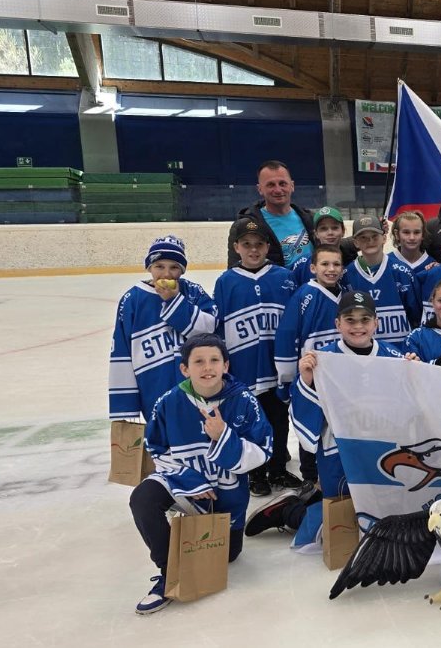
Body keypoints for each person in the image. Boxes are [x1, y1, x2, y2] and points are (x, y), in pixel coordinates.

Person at [246, 292, 412, 544]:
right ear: (338, 324)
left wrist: (415, 375)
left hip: (381, 451)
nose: (358, 327)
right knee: (337, 528)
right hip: (337, 452)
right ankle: (291, 511)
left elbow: (414, 409)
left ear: (376, 322)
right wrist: (308, 380)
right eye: (350, 320)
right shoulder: (323, 360)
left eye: (365, 319)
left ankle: (308, 499)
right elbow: (302, 416)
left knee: (383, 523)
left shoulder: (394, 357)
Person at [130, 334, 272, 615]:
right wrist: (189, 481)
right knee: (142, 499)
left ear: (225, 365)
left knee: (229, 557)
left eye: (214, 360)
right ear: (185, 369)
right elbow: (155, 447)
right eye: (198, 361)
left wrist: (223, 437)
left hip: (225, 503)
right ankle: (169, 571)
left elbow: (263, 451)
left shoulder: (244, 401)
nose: (207, 367)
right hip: (183, 487)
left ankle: (197, 534)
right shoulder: (168, 402)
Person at [214, 218, 299, 497]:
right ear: (236, 247)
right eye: (247, 245)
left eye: (259, 244)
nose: (253, 250)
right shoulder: (226, 282)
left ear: (267, 247)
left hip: (277, 367)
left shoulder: (284, 277)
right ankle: (256, 473)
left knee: (278, 419)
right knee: (249, 421)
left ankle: (277, 468)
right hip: (245, 368)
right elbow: (219, 326)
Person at [110, 235, 217, 424]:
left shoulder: (193, 292)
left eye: (174, 267)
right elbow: (122, 352)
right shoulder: (132, 300)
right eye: (160, 266)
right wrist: (125, 406)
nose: (166, 274)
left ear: (182, 271)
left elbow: (209, 329)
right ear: (149, 267)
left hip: (198, 386)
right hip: (152, 387)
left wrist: (175, 301)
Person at [273, 244, 345, 484]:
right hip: (311, 379)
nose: (331, 269)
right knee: (310, 424)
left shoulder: (345, 294)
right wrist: (286, 379)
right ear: (313, 267)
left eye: (336, 264)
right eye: (325, 264)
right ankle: (309, 479)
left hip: (340, 381)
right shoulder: (305, 295)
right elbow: (287, 336)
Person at [345, 215, 421, 351]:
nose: (370, 241)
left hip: (402, 352)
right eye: (363, 238)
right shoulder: (347, 275)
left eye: (375, 236)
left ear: (384, 238)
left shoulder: (403, 272)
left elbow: (417, 317)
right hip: (363, 352)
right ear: (355, 242)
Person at [229, 160, 315, 269]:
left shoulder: (310, 218)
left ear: (292, 186)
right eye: (270, 185)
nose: (278, 190)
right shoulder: (246, 225)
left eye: (282, 183)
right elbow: (235, 271)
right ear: (260, 189)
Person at [288, 206, 356, 288]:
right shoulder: (303, 265)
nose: (330, 233)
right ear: (316, 233)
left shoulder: (353, 262)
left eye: (334, 228)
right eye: (323, 229)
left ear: (343, 231)